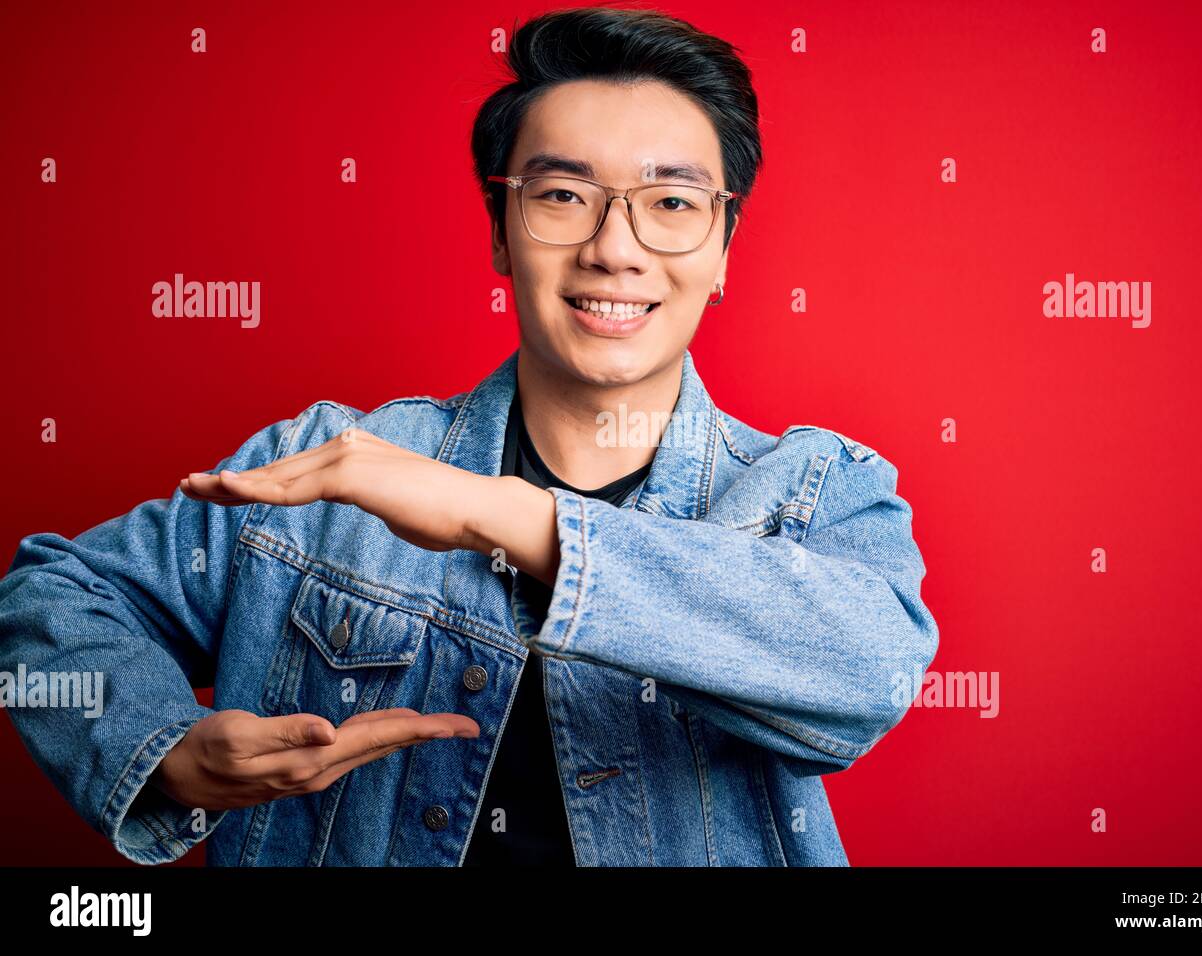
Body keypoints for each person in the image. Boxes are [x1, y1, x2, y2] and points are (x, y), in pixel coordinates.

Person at [0, 6, 938, 867]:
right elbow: (50, 595)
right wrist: (161, 752)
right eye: (564, 195)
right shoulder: (327, 471)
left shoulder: (813, 489)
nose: (615, 247)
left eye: (673, 204)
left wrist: (498, 515)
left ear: (725, 247)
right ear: (501, 233)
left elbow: (869, 672)